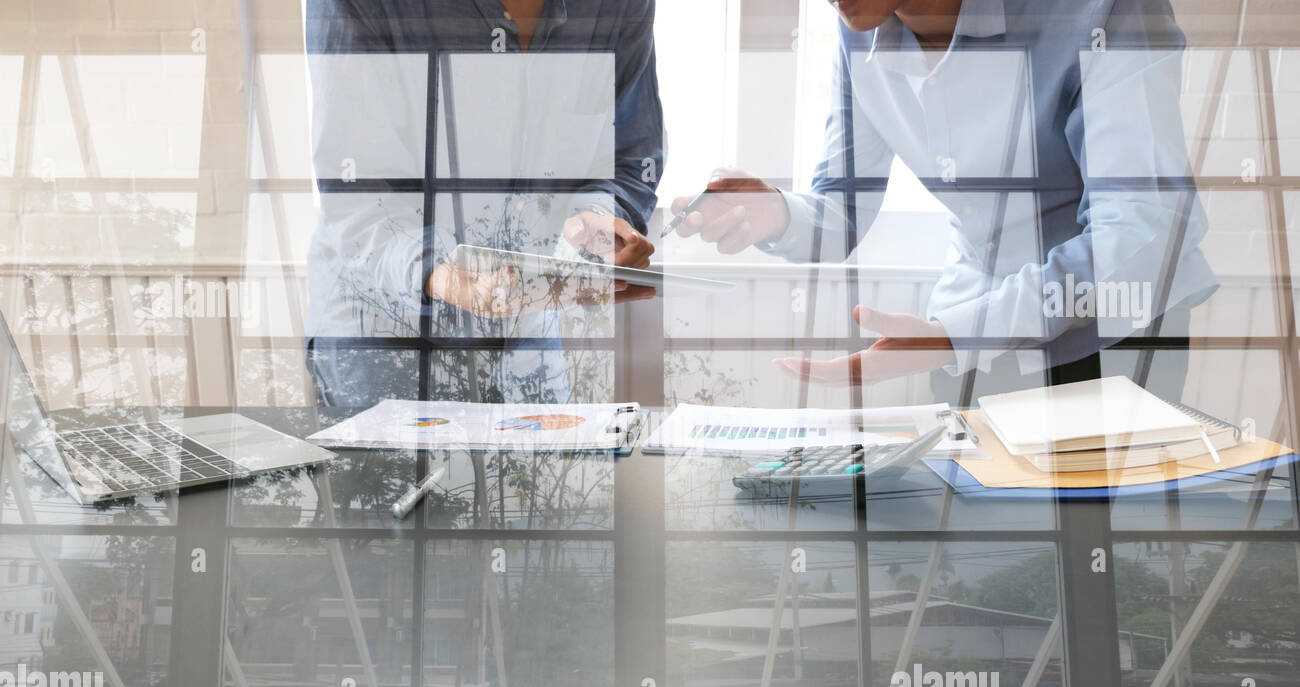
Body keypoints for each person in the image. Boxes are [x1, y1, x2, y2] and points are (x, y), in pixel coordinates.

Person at [671, 0, 1217, 404]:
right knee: (974, 548)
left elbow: (1142, 230)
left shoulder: (1103, 12)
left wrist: (957, 336)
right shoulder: (859, 33)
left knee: (1093, 550)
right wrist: (778, 213)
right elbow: (841, 212)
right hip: (962, 341)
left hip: (1113, 341)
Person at [304, 0, 664, 407]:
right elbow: (356, 192)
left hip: (527, 332)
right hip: (384, 335)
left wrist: (595, 220)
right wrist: (441, 273)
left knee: (553, 471)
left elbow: (632, 156)